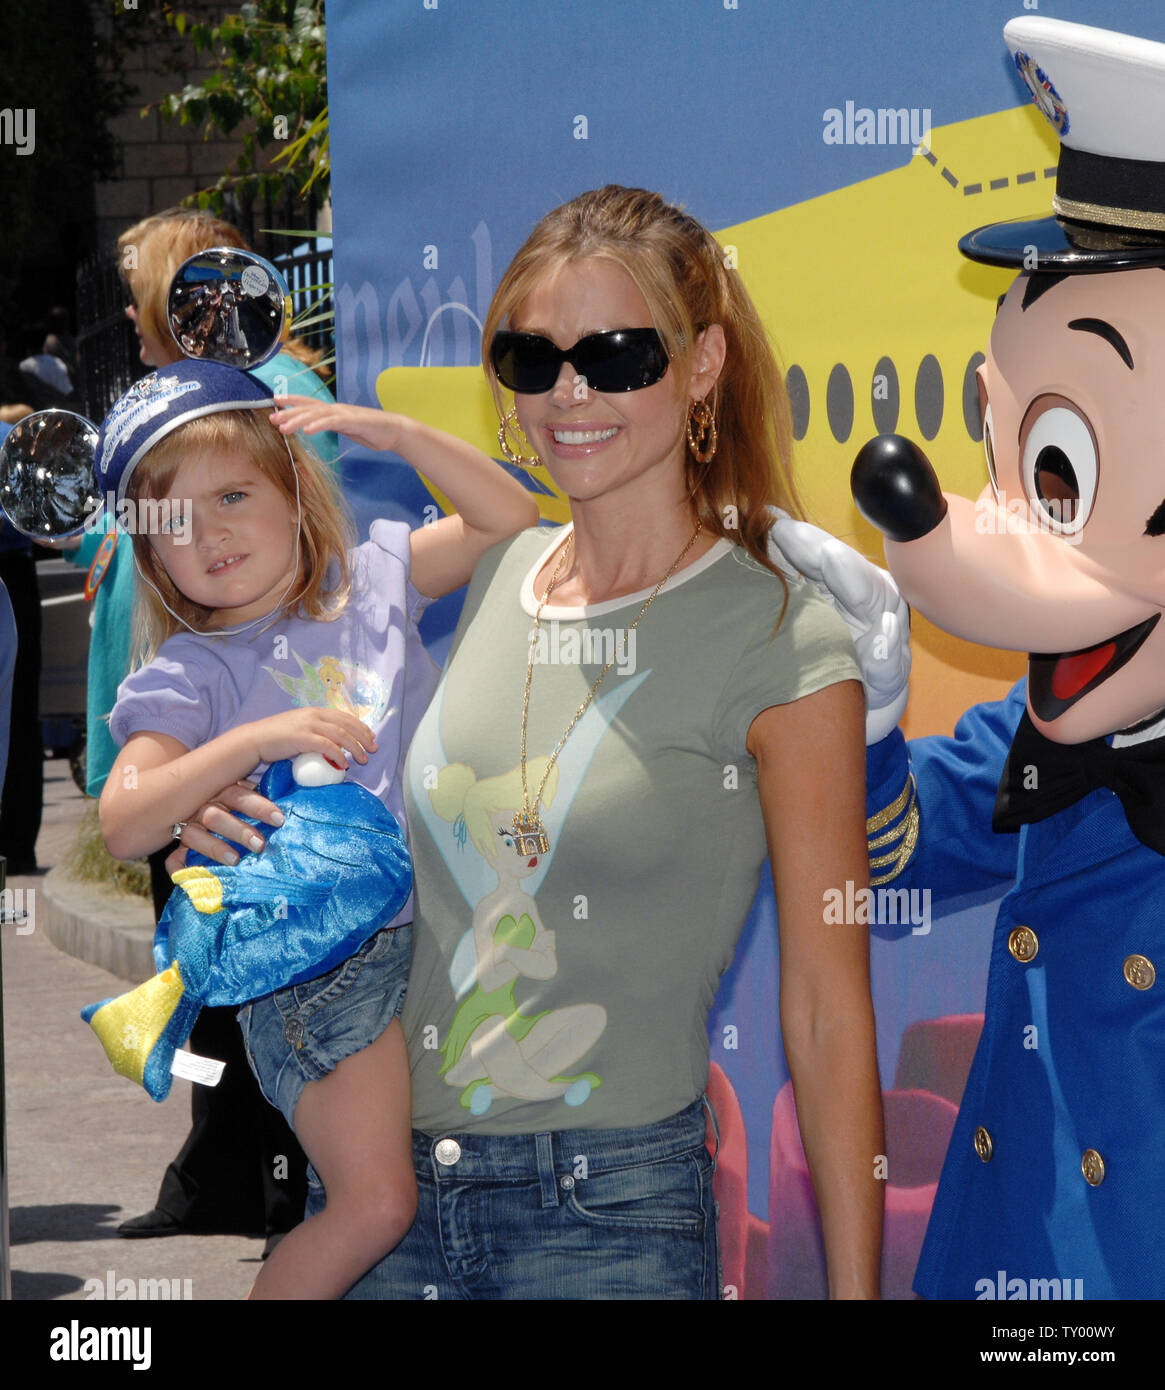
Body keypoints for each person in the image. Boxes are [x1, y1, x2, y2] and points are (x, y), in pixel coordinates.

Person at [182, 185, 885, 1299]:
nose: (569, 394)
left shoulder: (779, 635)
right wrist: (232, 820)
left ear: (702, 363)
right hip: (383, 1207)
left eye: (616, 355)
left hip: (606, 1217)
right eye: (531, 356)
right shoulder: (498, 569)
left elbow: (825, 1010)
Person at [98, 357, 537, 1298]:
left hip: (431, 943)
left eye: (233, 495)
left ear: (296, 491)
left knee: (397, 1200)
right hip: (315, 974)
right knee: (374, 1208)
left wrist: (398, 434)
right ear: (152, 555)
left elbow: (512, 519)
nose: (210, 533)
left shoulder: (376, 581)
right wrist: (254, 739)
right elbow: (127, 820)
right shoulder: (191, 672)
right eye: (174, 522)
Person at [70, 208, 341, 1247]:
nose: (139, 345)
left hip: (248, 772)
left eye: (145, 320)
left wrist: (243, 751)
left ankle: (275, 1186)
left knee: (251, 984)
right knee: (204, 981)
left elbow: (322, 573)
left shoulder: (278, 409)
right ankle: (224, 1173)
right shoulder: (171, 420)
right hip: (178, 754)